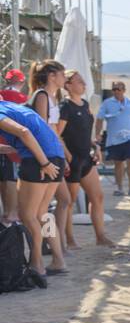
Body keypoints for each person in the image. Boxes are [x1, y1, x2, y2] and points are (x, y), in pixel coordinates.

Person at [0, 100, 65, 287]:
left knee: (28, 217)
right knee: (43, 213)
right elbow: (30, 134)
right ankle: (59, 260)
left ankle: (37, 265)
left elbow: (24, 132)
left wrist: (44, 163)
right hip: (56, 157)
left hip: (40, 161)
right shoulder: (11, 106)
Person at [59, 70, 112, 246]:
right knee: (69, 201)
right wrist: (68, 157)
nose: (84, 84)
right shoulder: (65, 106)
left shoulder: (84, 104)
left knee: (98, 197)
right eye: (79, 81)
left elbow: (84, 133)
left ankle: (100, 236)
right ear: (68, 85)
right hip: (72, 160)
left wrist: (95, 146)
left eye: (83, 81)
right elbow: (57, 135)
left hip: (86, 158)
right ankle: (70, 239)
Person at [27, 60, 74, 251]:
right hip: (49, 155)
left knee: (54, 205)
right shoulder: (44, 97)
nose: (65, 78)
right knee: (45, 209)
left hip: (51, 155)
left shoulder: (49, 97)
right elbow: (45, 129)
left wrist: (62, 154)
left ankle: (56, 247)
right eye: (62, 74)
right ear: (52, 76)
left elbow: (50, 130)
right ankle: (57, 248)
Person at [95, 81, 130, 196]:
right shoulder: (107, 103)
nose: (116, 91)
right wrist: (98, 133)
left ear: (124, 90)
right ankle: (119, 188)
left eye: (119, 89)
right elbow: (99, 119)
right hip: (114, 138)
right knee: (118, 163)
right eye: (114, 89)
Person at [0, 71, 23, 222]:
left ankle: (7, 211)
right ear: (21, 82)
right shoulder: (22, 98)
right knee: (11, 178)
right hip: (13, 140)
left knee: (4, 177)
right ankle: (12, 212)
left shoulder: (2, 94)